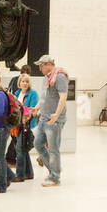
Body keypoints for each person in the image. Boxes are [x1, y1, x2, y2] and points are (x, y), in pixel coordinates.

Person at [32, 54, 68, 187]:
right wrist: (36, 108)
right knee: (38, 144)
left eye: (41, 65)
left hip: (54, 120)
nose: (40, 68)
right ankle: (53, 170)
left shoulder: (59, 77)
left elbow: (63, 97)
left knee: (53, 149)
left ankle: (55, 176)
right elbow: (44, 97)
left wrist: (56, 115)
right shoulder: (46, 78)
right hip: (43, 118)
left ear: (48, 64)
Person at [12, 73, 38, 182]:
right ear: (19, 83)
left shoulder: (33, 93)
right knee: (23, 148)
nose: (25, 83)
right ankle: (29, 173)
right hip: (17, 124)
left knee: (20, 149)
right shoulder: (16, 93)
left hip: (27, 124)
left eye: (27, 81)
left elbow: (32, 109)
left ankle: (20, 175)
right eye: (23, 81)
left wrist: (24, 115)